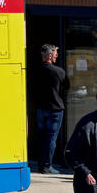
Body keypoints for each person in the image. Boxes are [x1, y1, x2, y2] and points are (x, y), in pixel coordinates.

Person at [32, 43, 69, 174]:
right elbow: (67, 87)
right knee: (51, 138)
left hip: (40, 108)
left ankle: (41, 165)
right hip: (55, 109)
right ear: (49, 55)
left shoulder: (35, 70)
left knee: (41, 137)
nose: (57, 56)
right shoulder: (59, 71)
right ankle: (47, 166)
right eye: (55, 54)